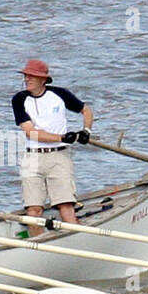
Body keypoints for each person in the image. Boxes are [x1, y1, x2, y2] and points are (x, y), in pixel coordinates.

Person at [11, 59, 93, 224]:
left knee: (66, 207)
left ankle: (75, 239)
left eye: (32, 76)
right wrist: (63, 137)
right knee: (33, 211)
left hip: (59, 157)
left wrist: (86, 130)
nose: (27, 79)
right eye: (26, 76)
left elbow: (86, 110)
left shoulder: (60, 94)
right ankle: (37, 246)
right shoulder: (19, 99)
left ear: (43, 79)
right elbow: (31, 133)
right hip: (32, 158)